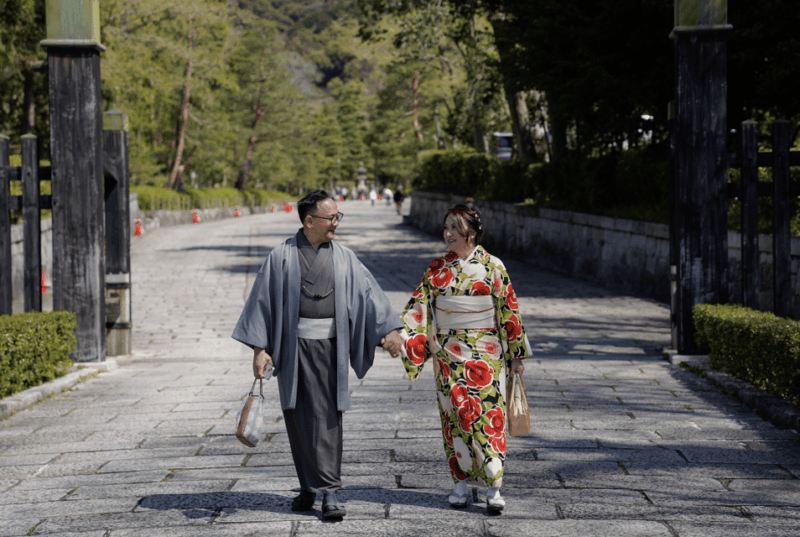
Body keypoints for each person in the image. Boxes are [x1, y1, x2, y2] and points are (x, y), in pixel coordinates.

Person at [231, 190, 403, 519]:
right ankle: (308, 487)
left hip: (330, 348)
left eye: (338, 217)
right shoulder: (280, 257)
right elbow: (261, 305)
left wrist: (388, 331)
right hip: (292, 348)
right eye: (331, 218)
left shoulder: (344, 257)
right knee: (297, 418)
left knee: (327, 417)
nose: (336, 223)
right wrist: (259, 350)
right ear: (310, 221)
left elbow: (369, 295)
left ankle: (330, 491)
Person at [396, 203, 531, 513]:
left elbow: (509, 311)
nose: (447, 234)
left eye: (453, 229)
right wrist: (399, 336)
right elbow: (419, 308)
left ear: (470, 233)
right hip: (447, 355)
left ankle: (494, 487)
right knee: (455, 418)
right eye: (446, 228)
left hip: (487, 353)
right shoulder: (436, 268)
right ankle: (459, 484)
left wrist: (516, 356)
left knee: (488, 418)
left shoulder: (493, 266)